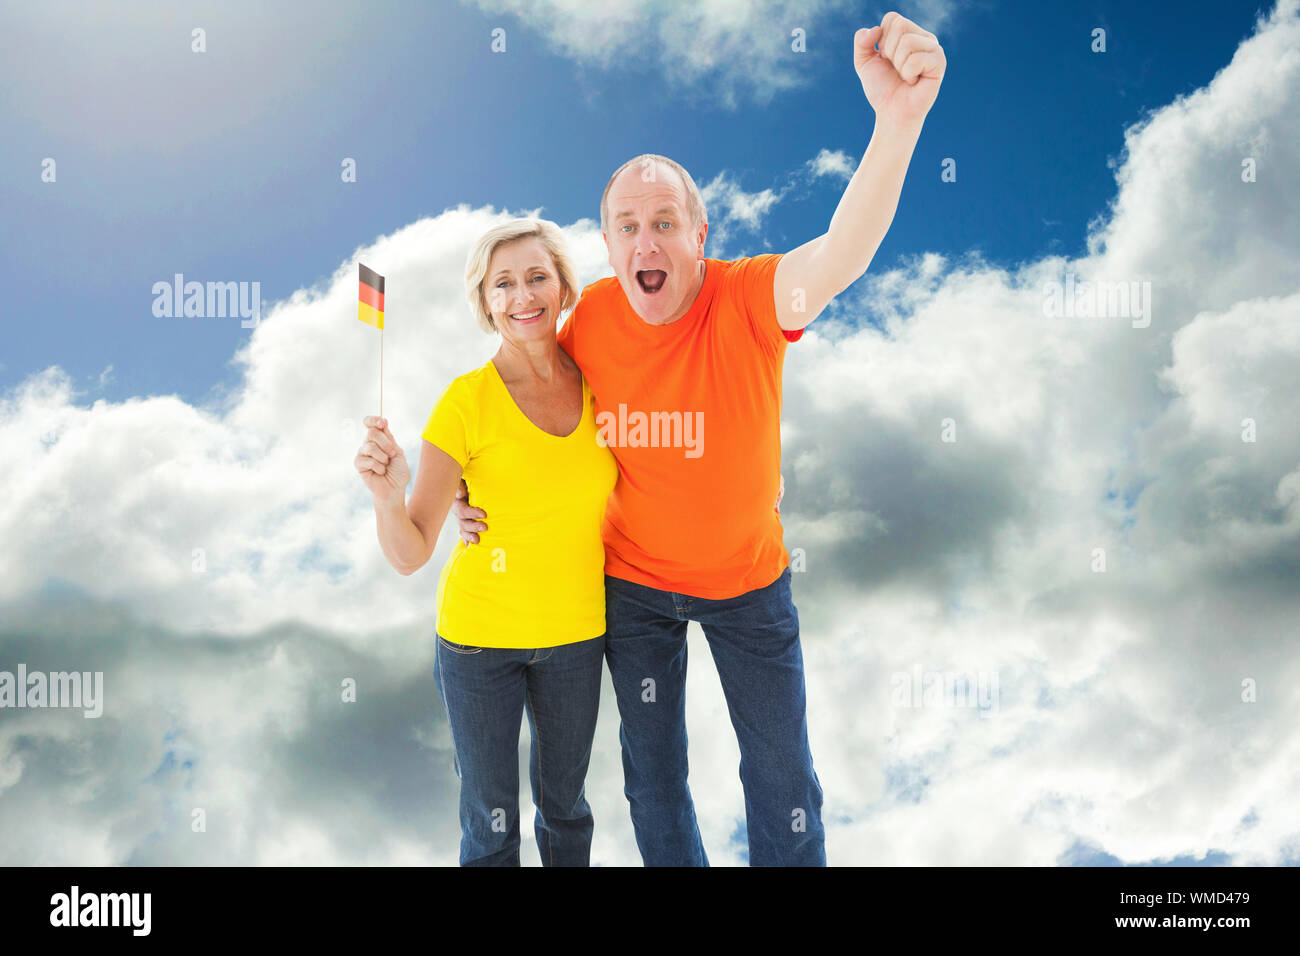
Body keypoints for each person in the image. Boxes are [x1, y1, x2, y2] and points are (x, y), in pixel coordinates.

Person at [452, 15, 946, 865]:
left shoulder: (750, 299)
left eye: (667, 223)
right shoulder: (592, 318)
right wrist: (463, 489)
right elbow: (521, 403)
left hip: (749, 587)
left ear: (700, 236)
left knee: (781, 772)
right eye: (628, 226)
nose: (648, 242)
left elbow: (841, 255)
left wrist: (897, 123)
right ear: (607, 245)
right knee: (653, 777)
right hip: (634, 590)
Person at [354, 218, 618, 866]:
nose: (523, 295)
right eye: (504, 283)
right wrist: (388, 498)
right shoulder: (464, 403)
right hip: (477, 643)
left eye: (537, 277)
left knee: (566, 812)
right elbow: (412, 551)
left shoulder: (604, 382)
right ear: (485, 301)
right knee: (491, 826)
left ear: (563, 289)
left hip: (578, 637)